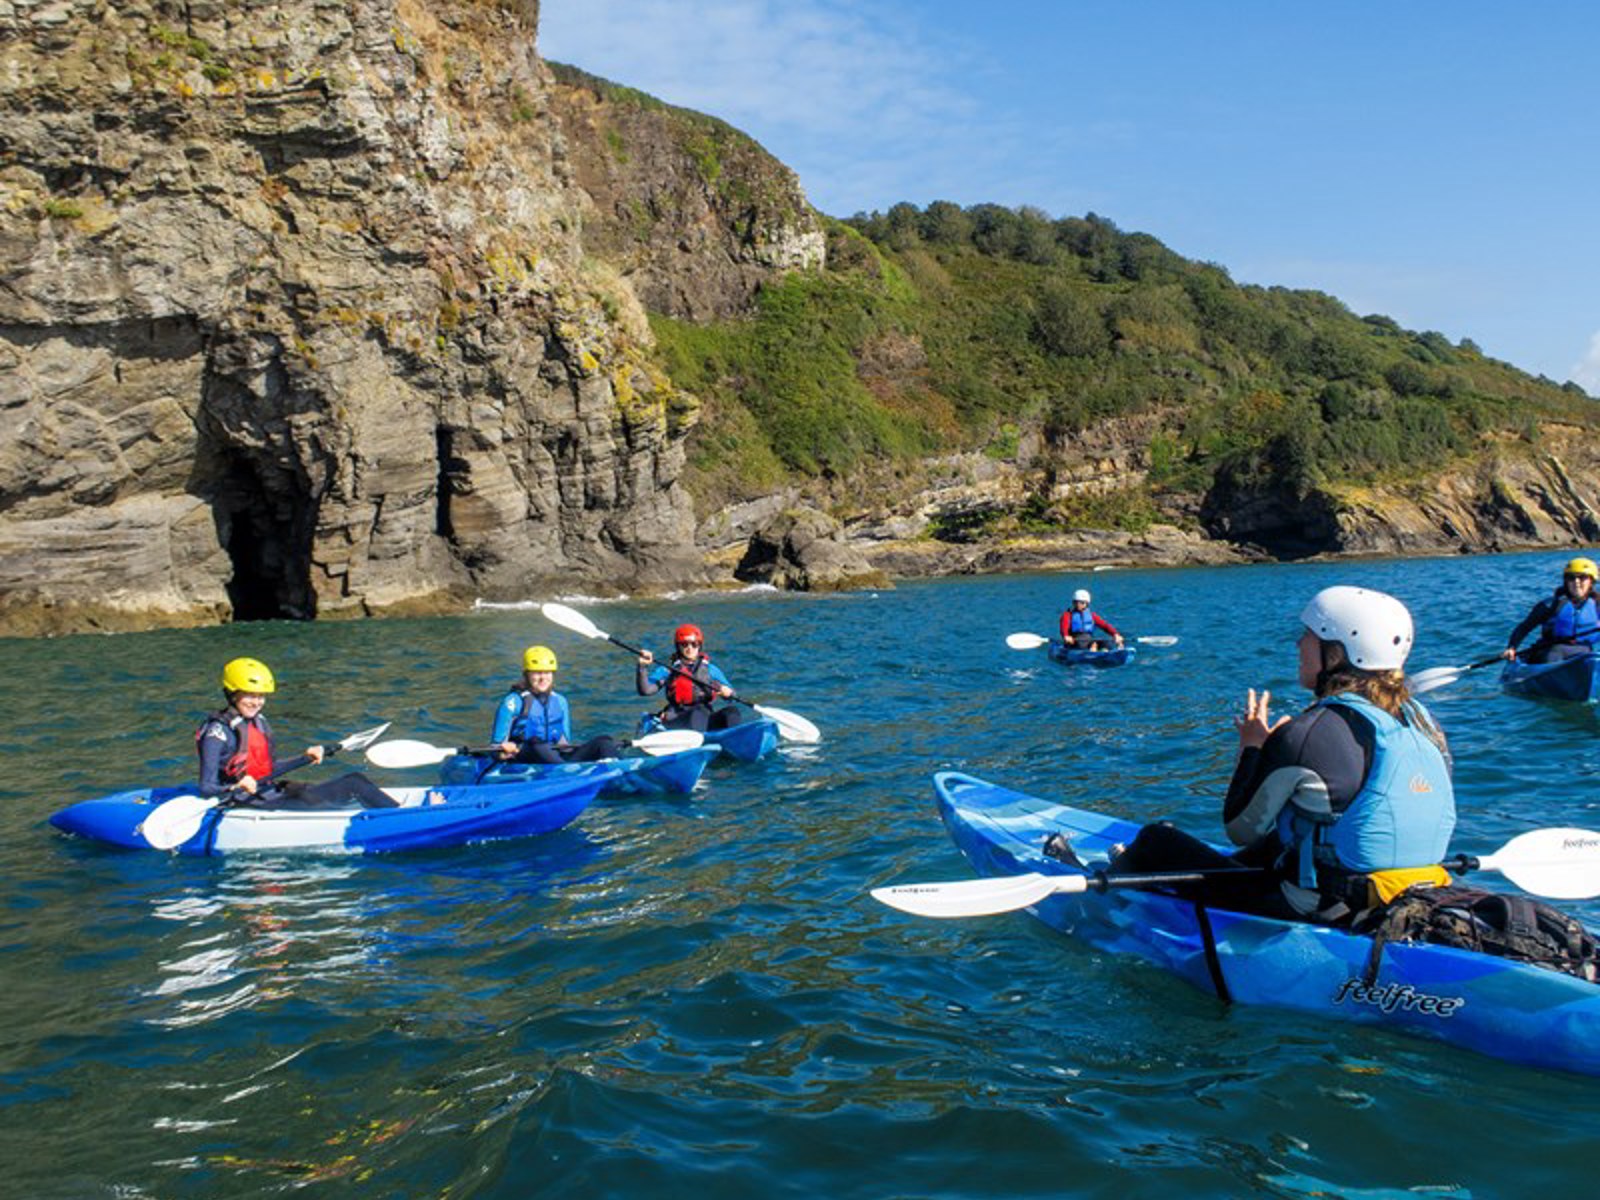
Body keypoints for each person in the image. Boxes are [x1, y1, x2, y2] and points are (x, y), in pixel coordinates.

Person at [1095, 586, 1456, 923]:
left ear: (1337, 652)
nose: (1299, 644)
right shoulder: (1425, 723)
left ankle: (1100, 906)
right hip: (1403, 896)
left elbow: (1240, 828)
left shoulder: (1308, 732)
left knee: (1158, 839)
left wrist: (1253, 747)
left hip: (1317, 909)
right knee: (1289, 834)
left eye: (1309, 637)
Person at [196, 657, 397, 809]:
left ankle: (399, 813)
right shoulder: (217, 734)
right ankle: (403, 818)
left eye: (261, 696)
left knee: (352, 782)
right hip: (245, 803)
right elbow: (207, 788)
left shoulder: (258, 723)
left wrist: (307, 757)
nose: (256, 702)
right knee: (353, 784)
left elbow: (269, 770)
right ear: (232, 694)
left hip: (270, 792)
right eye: (250, 695)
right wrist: (234, 787)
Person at [491, 645, 620, 764]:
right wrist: (502, 752)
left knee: (604, 741)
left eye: (547, 673)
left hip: (556, 758)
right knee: (535, 742)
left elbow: (565, 746)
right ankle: (566, 772)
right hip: (524, 758)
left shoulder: (560, 701)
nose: (543, 678)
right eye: (537, 673)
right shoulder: (513, 702)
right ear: (526, 675)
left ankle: (618, 773)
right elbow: (495, 747)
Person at [636, 623, 746, 733]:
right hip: (676, 717)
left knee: (732, 712)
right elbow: (645, 690)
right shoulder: (668, 669)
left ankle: (735, 739)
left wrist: (729, 693)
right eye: (684, 644)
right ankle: (699, 742)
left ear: (700, 646)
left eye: (694, 644)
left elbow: (733, 696)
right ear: (678, 646)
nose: (690, 648)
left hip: (705, 716)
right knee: (697, 713)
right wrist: (642, 666)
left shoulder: (711, 670)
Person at [1501, 557, 1600, 665]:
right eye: (1571, 578)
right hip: (1552, 649)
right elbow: (1524, 627)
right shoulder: (1551, 605)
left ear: (1591, 581)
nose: (1576, 582)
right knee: (1555, 653)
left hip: (1584, 651)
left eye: (1582, 577)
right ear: (1566, 581)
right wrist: (1512, 647)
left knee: (1592, 658)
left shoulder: (1597, 605)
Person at [1060, 588, 1124, 650]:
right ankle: (1093, 648)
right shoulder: (1067, 615)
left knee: (1107, 643)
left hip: (1088, 639)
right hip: (1074, 641)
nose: (1079, 604)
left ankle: (1101, 650)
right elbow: (1064, 627)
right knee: (1082, 643)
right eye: (1076, 602)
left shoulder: (1091, 615)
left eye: (1082, 603)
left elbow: (1105, 626)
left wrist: (1115, 634)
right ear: (1073, 603)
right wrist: (1066, 636)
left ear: (1087, 604)